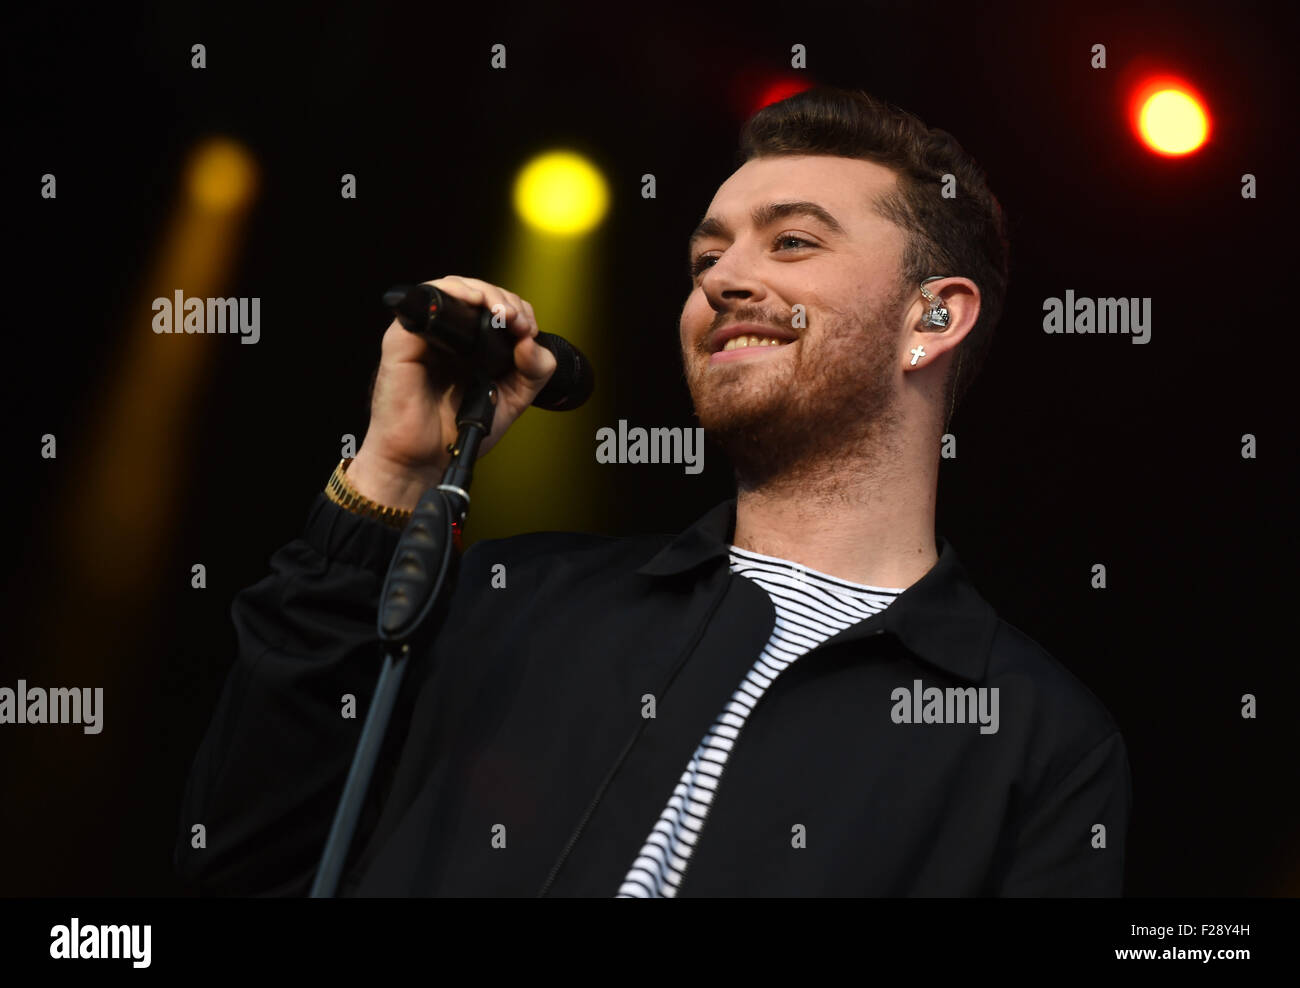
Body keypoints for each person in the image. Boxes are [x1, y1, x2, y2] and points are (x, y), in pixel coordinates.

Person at [175, 86, 1131, 897]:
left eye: (791, 243)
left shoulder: (1033, 738)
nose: (725, 281)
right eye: (706, 260)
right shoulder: (520, 601)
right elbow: (245, 857)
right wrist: (393, 475)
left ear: (934, 315)